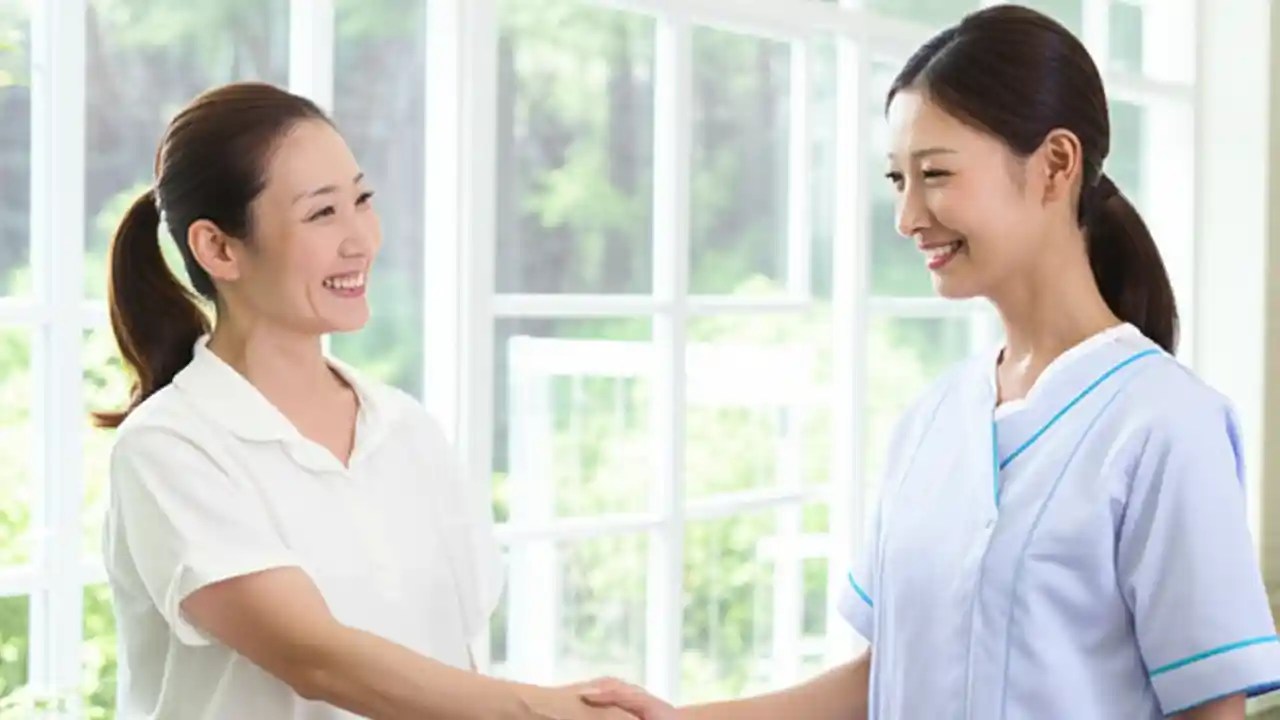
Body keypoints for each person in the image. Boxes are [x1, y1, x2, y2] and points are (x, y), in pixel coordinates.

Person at [577, 6, 1280, 720]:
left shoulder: (1167, 425)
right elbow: (881, 678)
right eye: (897, 180)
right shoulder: (934, 418)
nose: (908, 216)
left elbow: (1207, 710)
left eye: (935, 174)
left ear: (1056, 165)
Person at [97, 81, 635, 720]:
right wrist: (546, 711)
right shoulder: (170, 446)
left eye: (362, 200)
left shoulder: (405, 428)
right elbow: (317, 661)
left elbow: (455, 670)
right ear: (218, 247)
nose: (361, 240)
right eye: (323, 213)